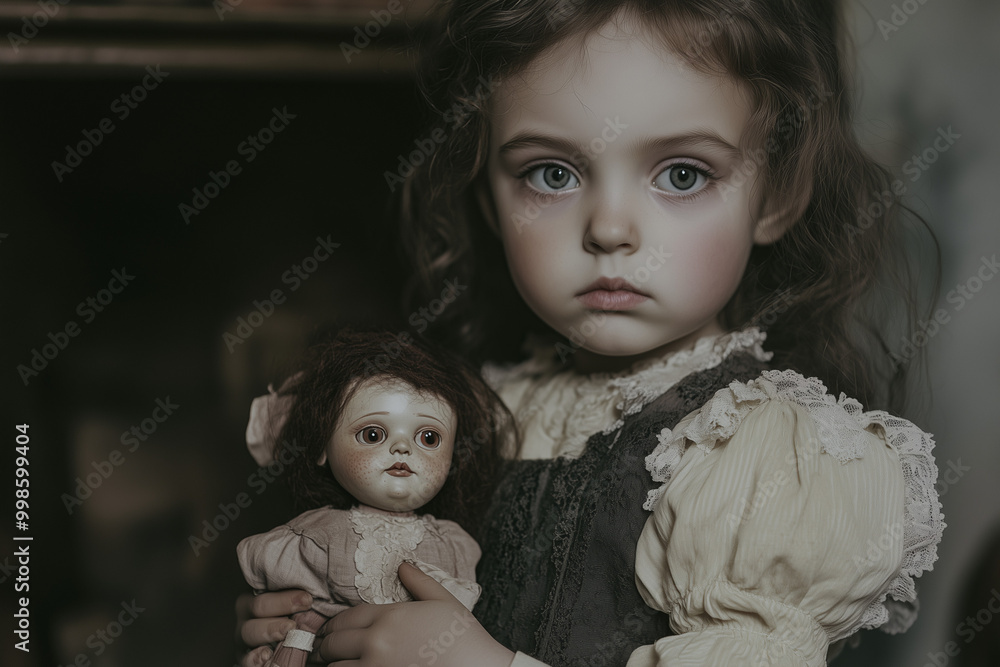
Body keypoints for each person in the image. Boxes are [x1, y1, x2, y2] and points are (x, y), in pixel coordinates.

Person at [237, 1, 946, 665]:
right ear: (488, 195)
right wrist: (316, 612)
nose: (609, 228)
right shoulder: (478, 409)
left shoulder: (767, 453)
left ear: (777, 195)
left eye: (682, 174)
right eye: (551, 174)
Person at [237, 329, 511, 666]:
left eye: (429, 438)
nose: (402, 448)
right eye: (372, 434)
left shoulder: (454, 543)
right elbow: (291, 601)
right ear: (323, 448)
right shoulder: (321, 533)